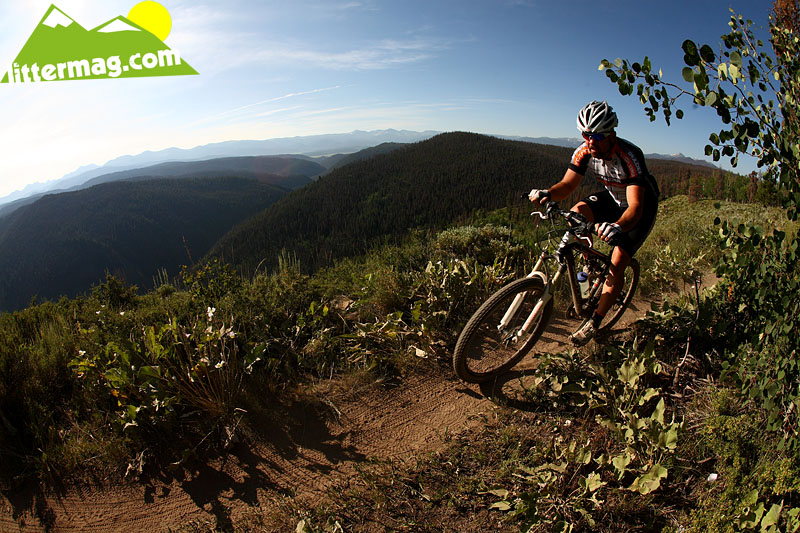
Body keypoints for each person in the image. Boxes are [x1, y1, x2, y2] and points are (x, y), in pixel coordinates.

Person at [529, 100, 660, 346]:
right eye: (586, 134)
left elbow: (634, 207)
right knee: (577, 212)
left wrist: (618, 226)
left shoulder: (630, 157)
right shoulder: (584, 151)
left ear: (612, 134)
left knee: (618, 261)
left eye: (598, 136)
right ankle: (589, 266)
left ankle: (595, 321)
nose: (591, 141)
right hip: (612, 198)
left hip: (639, 206)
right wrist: (547, 193)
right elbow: (567, 185)